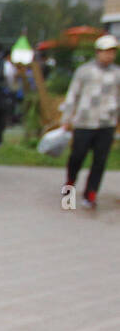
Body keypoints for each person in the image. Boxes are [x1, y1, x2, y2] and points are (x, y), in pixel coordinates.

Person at [59, 33, 120, 210]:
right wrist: (67, 118)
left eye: (112, 52)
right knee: (77, 156)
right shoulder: (84, 71)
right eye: (106, 51)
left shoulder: (117, 74)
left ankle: (91, 193)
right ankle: (70, 182)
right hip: (84, 121)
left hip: (106, 123)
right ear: (98, 52)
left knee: (100, 160)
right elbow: (73, 95)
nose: (109, 55)